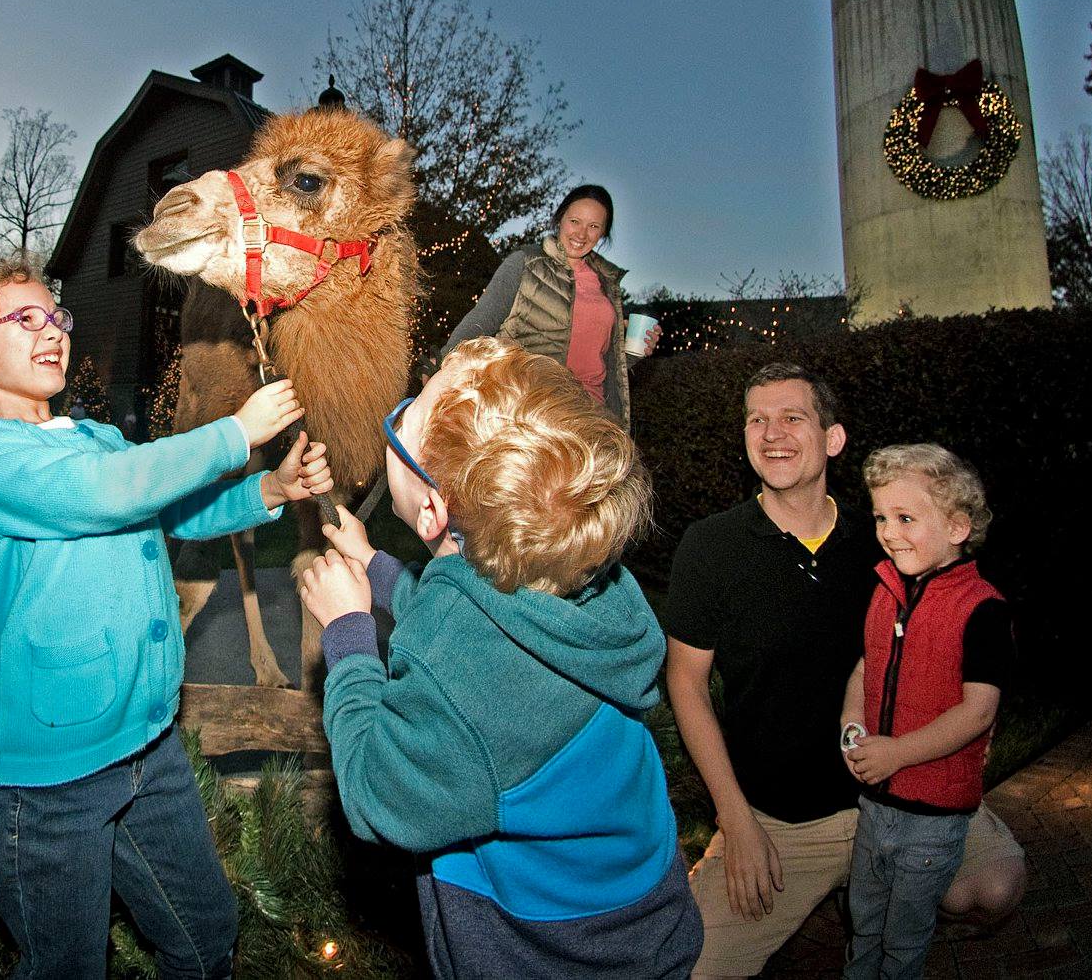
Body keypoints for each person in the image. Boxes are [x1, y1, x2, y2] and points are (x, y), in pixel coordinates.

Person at [0, 253, 333, 979]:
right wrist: (234, 433)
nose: (52, 329)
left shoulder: (96, 437)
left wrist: (270, 491)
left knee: (205, 933)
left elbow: (169, 508)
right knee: (68, 963)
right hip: (51, 781)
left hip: (150, 747)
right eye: (24, 318)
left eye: (57, 316)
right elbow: (108, 492)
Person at [298, 336, 701, 978]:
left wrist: (348, 632)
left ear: (432, 508)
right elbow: (477, 618)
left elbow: (377, 794)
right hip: (644, 909)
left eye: (407, 417)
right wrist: (377, 568)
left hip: (544, 946)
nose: (396, 419)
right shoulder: (582, 576)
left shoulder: (461, 682)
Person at [661, 364, 1024, 979]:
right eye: (757, 419)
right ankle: (846, 903)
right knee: (690, 967)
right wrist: (737, 821)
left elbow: (953, 635)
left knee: (992, 888)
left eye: (791, 417)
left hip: (899, 798)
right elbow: (685, 683)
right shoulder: (711, 546)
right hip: (781, 822)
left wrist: (952, 741)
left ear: (833, 438)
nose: (771, 433)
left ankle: (872, 914)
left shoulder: (883, 539)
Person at [841, 445, 1012, 979]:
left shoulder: (982, 609)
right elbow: (867, 667)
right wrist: (853, 731)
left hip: (933, 816)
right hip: (877, 802)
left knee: (905, 935)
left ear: (958, 526)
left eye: (906, 518)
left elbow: (978, 712)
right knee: (863, 916)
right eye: (881, 518)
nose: (889, 532)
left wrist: (897, 753)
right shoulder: (887, 590)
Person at [443, 184, 660, 429]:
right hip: (530, 412)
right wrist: (441, 371)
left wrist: (631, 353)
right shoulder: (525, 262)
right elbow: (479, 321)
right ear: (560, 219)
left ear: (603, 234)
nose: (581, 234)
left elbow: (601, 362)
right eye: (575, 221)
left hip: (594, 419)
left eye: (594, 226)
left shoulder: (607, 285)